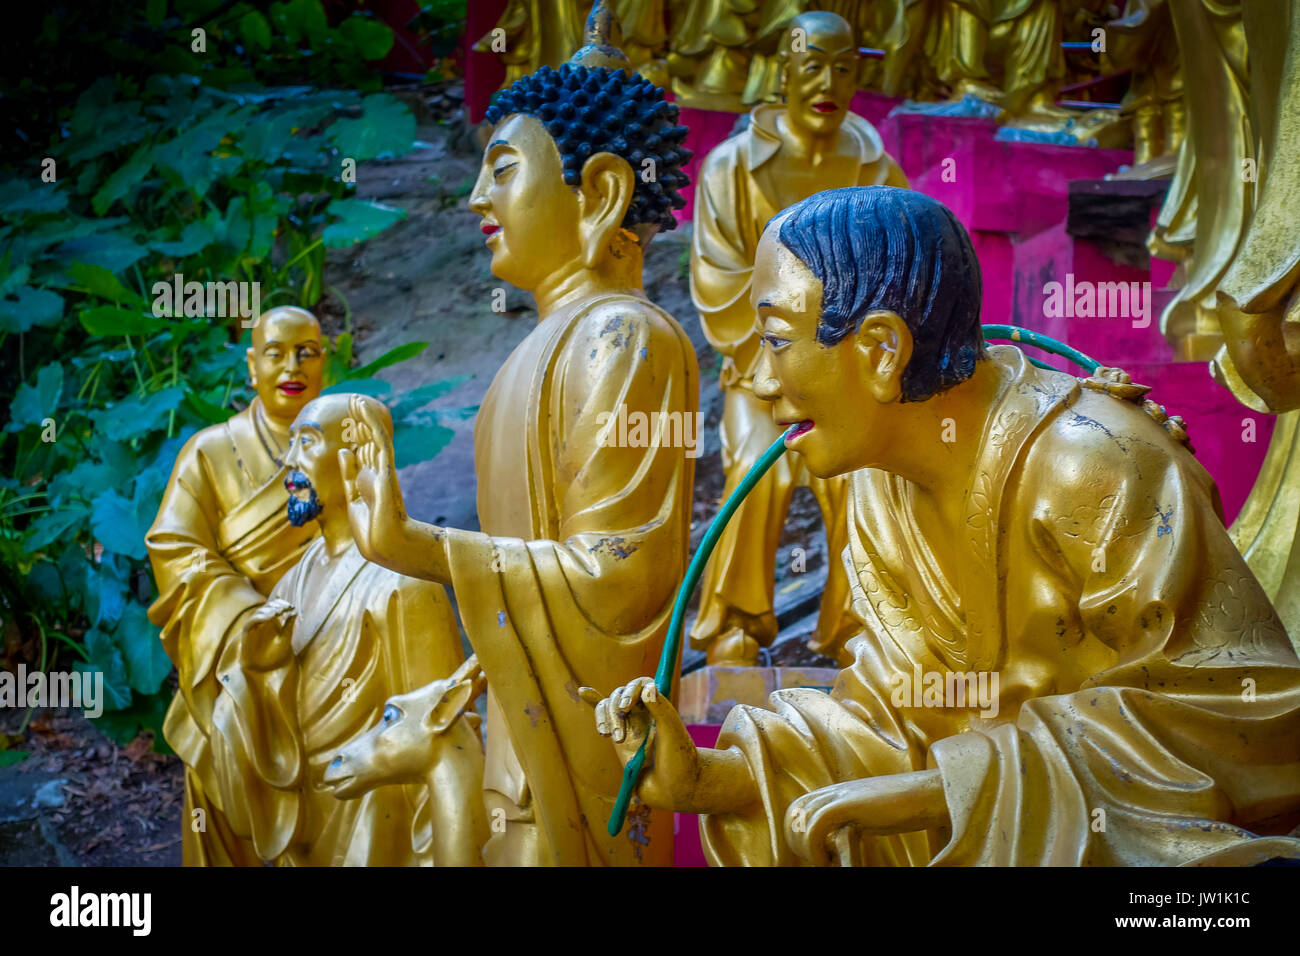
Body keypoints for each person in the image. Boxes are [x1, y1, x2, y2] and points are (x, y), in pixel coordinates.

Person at [590, 186, 1300, 866]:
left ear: (879, 349)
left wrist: (947, 791)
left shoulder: (1094, 465)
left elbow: (1253, 722)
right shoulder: (876, 484)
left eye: (775, 341)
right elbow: (891, 722)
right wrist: (712, 782)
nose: (758, 381)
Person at [341, 5, 698, 866]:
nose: (475, 199)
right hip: (520, 743)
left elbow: (621, 582)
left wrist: (414, 545)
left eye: (502, 170)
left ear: (602, 192)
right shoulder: (528, 360)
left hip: (581, 758)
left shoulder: (625, 339)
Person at [690, 10, 908, 666]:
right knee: (756, 476)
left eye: (844, 68)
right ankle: (735, 624)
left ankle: (854, 627)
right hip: (760, 372)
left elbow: (903, 264)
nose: (828, 82)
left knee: (866, 482)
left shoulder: (872, 165)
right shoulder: (731, 167)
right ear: (781, 71)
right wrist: (779, 357)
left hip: (848, 378)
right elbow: (718, 274)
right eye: (812, 65)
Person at [210, 394, 467, 866]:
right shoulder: (294, 578)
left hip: (375, 820)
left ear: (355, 455)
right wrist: (260, 673)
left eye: (306, 443)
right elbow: (271, 703)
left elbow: (441, 730)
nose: (288, 463)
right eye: (290, 444)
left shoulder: (401, 583)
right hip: (306, 811)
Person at [145, 306, 324, 866]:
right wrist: (244, 616)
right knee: (225, 798)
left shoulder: (343, 445)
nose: (291, 366)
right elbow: (173, 548)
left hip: (329, 651)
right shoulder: (209, 451)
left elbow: (378, 545)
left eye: (306, 352)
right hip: (235, 660)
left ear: (325, 362)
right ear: (252, 365)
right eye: (275, 353)